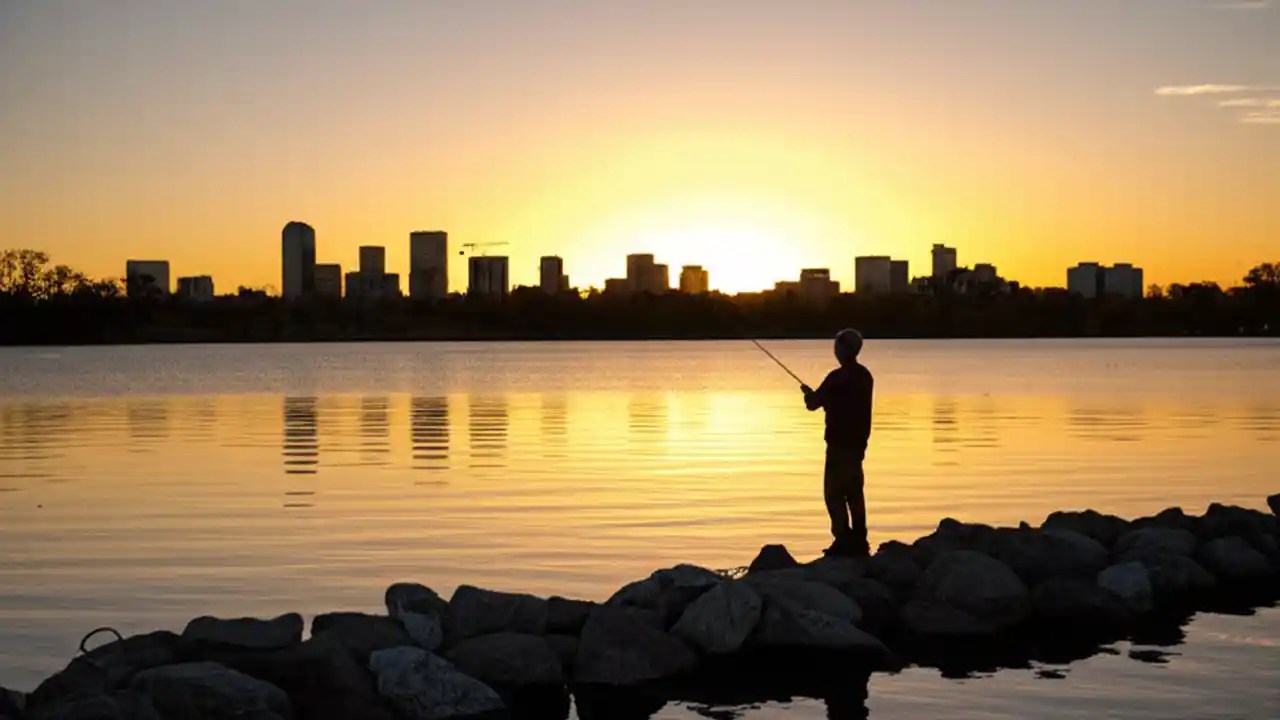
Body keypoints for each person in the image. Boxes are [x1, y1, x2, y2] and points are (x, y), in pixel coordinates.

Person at [801, 328, 874, 557]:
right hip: (858, 443)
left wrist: (807, 394)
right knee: (854, 493)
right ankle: (860, 540)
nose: (835, 350)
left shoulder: (837, 377)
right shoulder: (865, 376)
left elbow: (814, 403)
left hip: (838, 444)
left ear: (843, 349)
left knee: (833, 494)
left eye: (837, 346)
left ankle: (843, 540)